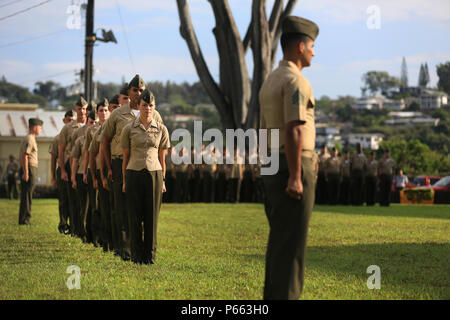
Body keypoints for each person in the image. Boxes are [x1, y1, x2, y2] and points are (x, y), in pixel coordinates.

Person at [259, 16, 319, 299]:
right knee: (293, 247)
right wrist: (296, 176)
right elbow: (294, 129)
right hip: (292, 166)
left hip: (273, 163)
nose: (313, 52)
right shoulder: (295, 81)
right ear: (299, 46)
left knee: (279, 243)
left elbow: (263, 131)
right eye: (312, 46)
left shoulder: (270, 81)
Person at [101, 75, 163, 261]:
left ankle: (143, 251)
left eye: (141, 90)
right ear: (128, 92)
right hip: (121, 162)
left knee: (145, 209)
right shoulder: (118, 114)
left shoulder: (155, 114)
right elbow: (105, 141)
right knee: (123, 208)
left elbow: (160, 147)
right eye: (135, 90)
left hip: (147, 166)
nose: (138, 94)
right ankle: (124, 249)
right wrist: (109, 167)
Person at [121, 89, 170, 264]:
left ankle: (149, 256)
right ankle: (136, 256)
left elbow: (162, 157)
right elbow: (125, 157)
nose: (147, 108)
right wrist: (125, 180)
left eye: (150, 105)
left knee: (151, 217)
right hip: (134, 172)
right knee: (134, 216)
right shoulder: (129, 128)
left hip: (154, 174)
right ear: (139, 106)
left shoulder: (161, 129)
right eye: (144, 105)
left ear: (154, 107)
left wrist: (163, 179)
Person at [59, 97, 88, 236]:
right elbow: (62, 149)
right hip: (72, 164)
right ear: (75, 110)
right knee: (73, 200)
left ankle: (85, 230)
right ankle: (75, 229)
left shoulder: (91, 126)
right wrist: (63, 170)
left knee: (86, 201)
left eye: (84, 109)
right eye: (79, 109)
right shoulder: (68, 127)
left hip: (87, 165)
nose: (82, 111)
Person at [89, 100, 112, 252]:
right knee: (101, 208)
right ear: (97, 113)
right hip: (100, 170)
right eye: (101, 110)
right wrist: (94, 176)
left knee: (113, 209)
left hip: (114, 170)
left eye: (105, 110)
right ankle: (103, 240)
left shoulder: (113, 126)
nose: (103, 113)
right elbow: (91, 154)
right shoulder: (95, 131)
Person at [71, 111, 96, 242]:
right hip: (81, 174)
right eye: (91, 122)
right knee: (83, 207)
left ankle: (92, 235)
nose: (93, 125)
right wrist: (73, 177)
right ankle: (82, 233)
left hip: (93, 174)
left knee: (94, 207)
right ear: (86, 124)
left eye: (95, 123)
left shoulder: (98, 138)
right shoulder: (80, 141)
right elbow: (74, 160)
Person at [49, 110, 74, 234]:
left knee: (73, 199)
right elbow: (53, 159)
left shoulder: (77, 134)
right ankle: (63, 224)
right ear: (64, 121)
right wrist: (53, 177)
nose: (70, 122)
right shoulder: (57, 138)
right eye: (68, 120)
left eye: (72, 120)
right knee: (63, 199)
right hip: (62, 169)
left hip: (74, 168)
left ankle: (74, 225)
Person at [18, 118, 43, 225]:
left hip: (30, 168)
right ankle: (25, 219)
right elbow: (25, 156)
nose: (41, 130)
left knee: (27, 194)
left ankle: (24, 218)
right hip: (29, 168)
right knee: (27, 194)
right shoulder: (30, 139)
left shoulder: (30, 138)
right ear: (34, 127)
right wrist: (26, 172)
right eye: (40, 127)